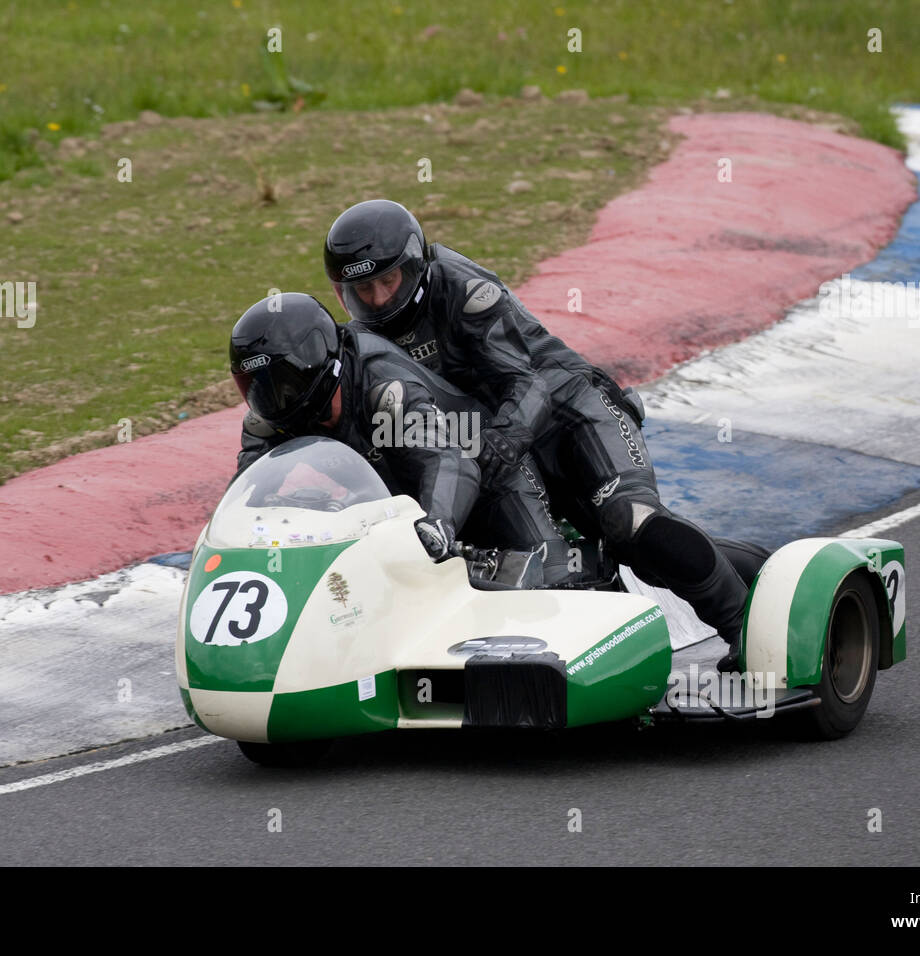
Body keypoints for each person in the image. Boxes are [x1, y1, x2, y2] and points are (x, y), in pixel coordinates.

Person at [323, 199, 769, 671]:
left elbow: (528, 382)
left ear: (414, 267)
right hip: (500, 443)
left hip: (568, 409)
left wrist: (505, 440)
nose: (377, 299)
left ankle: (745, 627)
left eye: (387, 281)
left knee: (628, 521)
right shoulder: (361, 345)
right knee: (577, 554)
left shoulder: (467, 291)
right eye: (361, 289)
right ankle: (749, 580)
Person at [230, 292, 571, 582]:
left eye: (282, 383)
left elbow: (448, 459)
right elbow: (242, 499)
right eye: (256, 389)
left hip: (489, 473)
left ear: (315, 361)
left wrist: (436, 525)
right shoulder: (268, 419)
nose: (273, 400)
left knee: (549, 575)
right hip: (397, 505)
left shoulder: (382, 385)